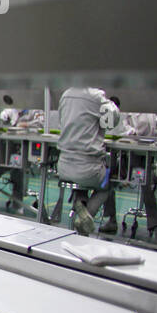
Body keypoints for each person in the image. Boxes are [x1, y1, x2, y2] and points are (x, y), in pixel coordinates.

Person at [54, 88, 120, 235]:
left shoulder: (65, 95)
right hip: (89, 167)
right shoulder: (96, 96)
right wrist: (113, 105)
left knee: (80, 181)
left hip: (64, 166)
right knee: (108, 185)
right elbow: (111, 121)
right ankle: (87, 215)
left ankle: (80, 202)